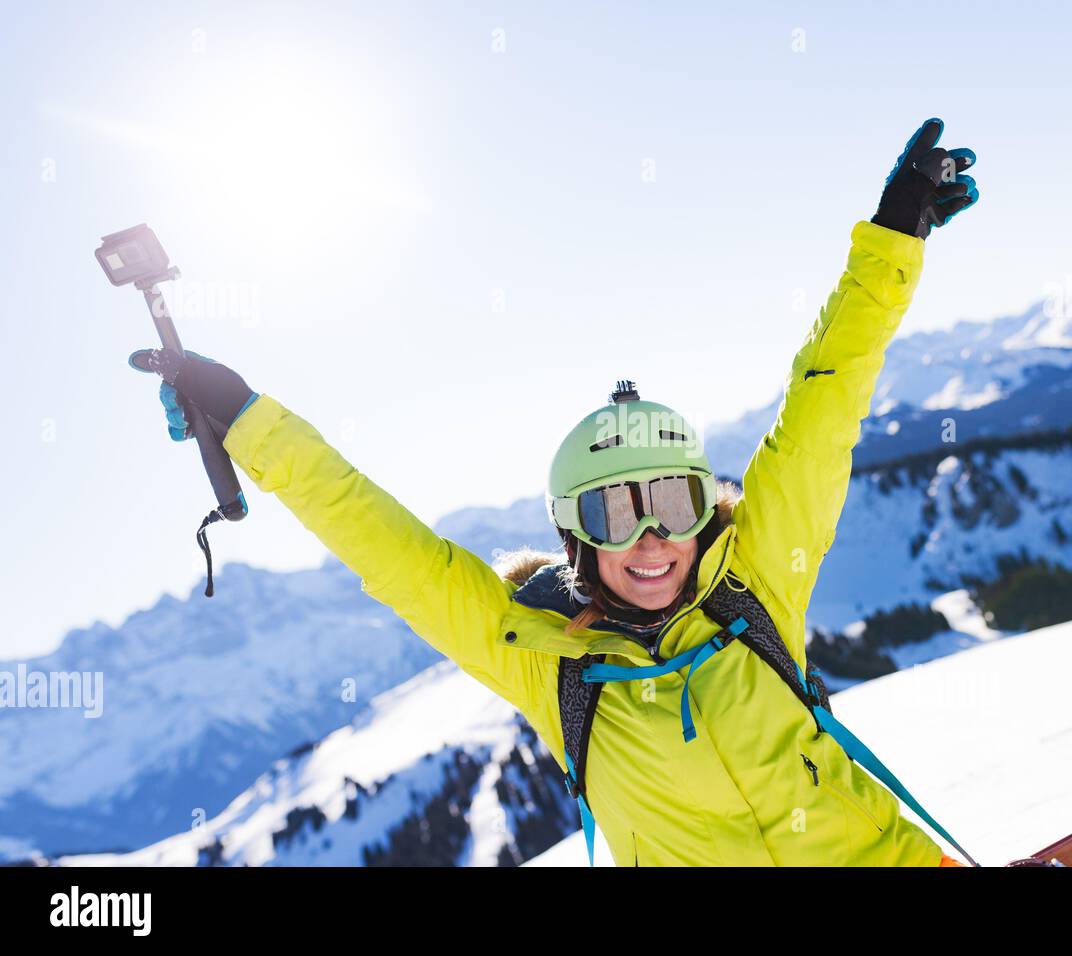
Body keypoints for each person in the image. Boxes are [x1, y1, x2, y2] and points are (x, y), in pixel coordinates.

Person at [131, 118, 979, 867]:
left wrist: (893, 238)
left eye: (671, 506)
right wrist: (244, 418)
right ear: (576, 539)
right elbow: (382, 542)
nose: (651, 539)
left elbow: (826, 402)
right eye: (615, 513)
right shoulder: (544, 661)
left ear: (703, 509)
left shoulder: (756, 584)